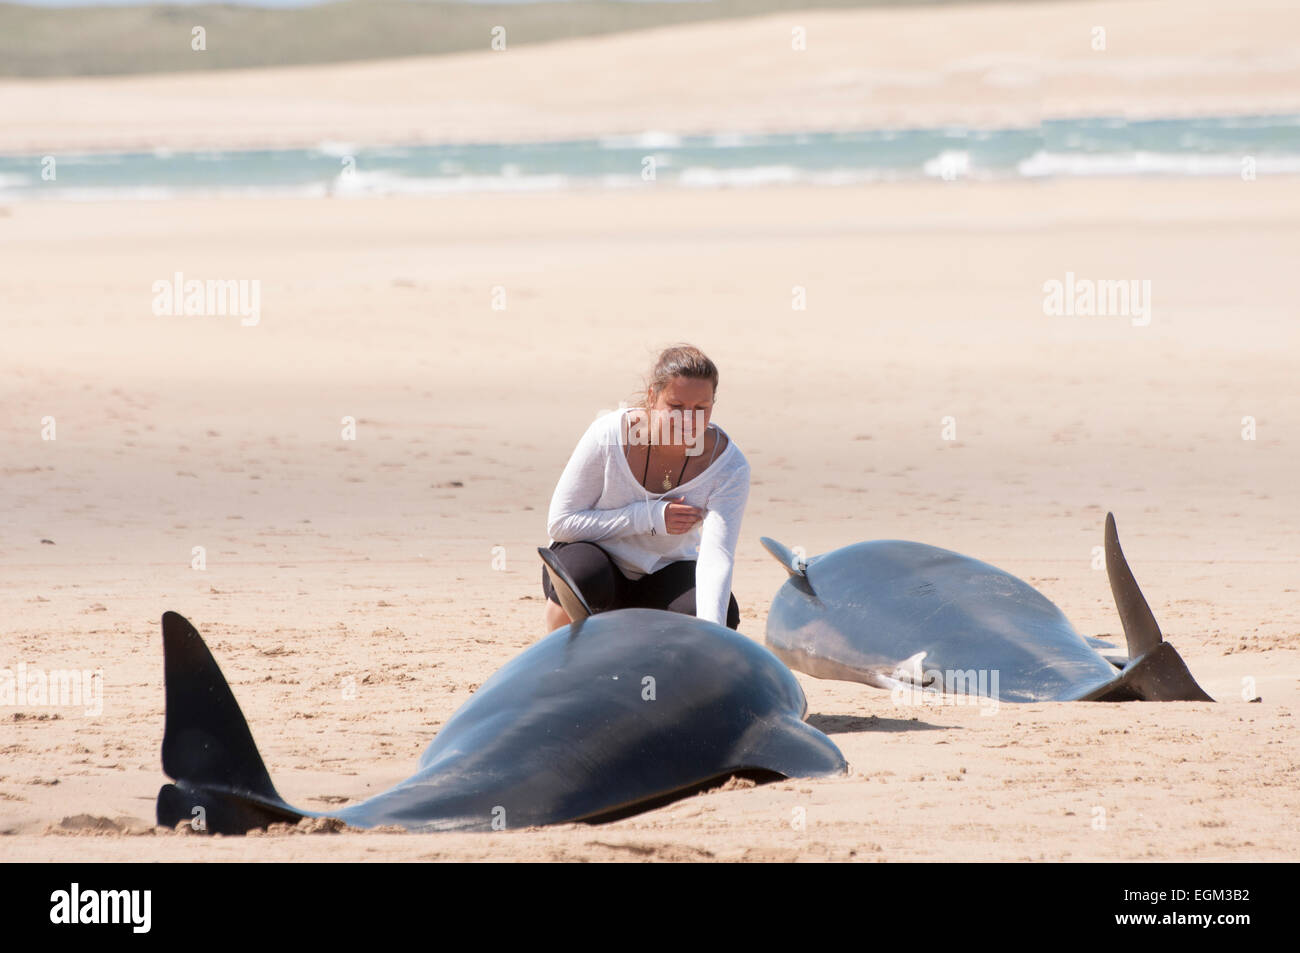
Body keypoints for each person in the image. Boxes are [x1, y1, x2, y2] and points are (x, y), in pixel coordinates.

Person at [542, 344, 750, 632]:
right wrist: (650, 518)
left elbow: (716, 557)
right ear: (653, 397)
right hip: (598, 562)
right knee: (582, 576)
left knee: (720, 613)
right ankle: (558, 663)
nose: (687, 421)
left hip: (664, 572)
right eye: (676, 407)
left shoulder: (729, 466)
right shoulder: (609, 436)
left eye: (701, 409)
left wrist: (711, 634)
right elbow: (561, 524)